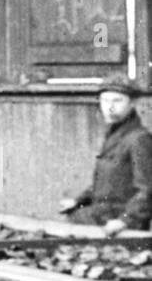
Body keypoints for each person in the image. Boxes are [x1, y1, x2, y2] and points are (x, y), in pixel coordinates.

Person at [60, 74, 152, 235]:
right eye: (105, 101)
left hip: (122, 226)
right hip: (102, 217)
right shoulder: (113, 135)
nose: (109, 107)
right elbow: (106, 183)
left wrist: (125, 220)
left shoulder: (138, 139)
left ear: (132, 103)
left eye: (117, 101)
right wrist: (78, 201)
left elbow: (146, 190)